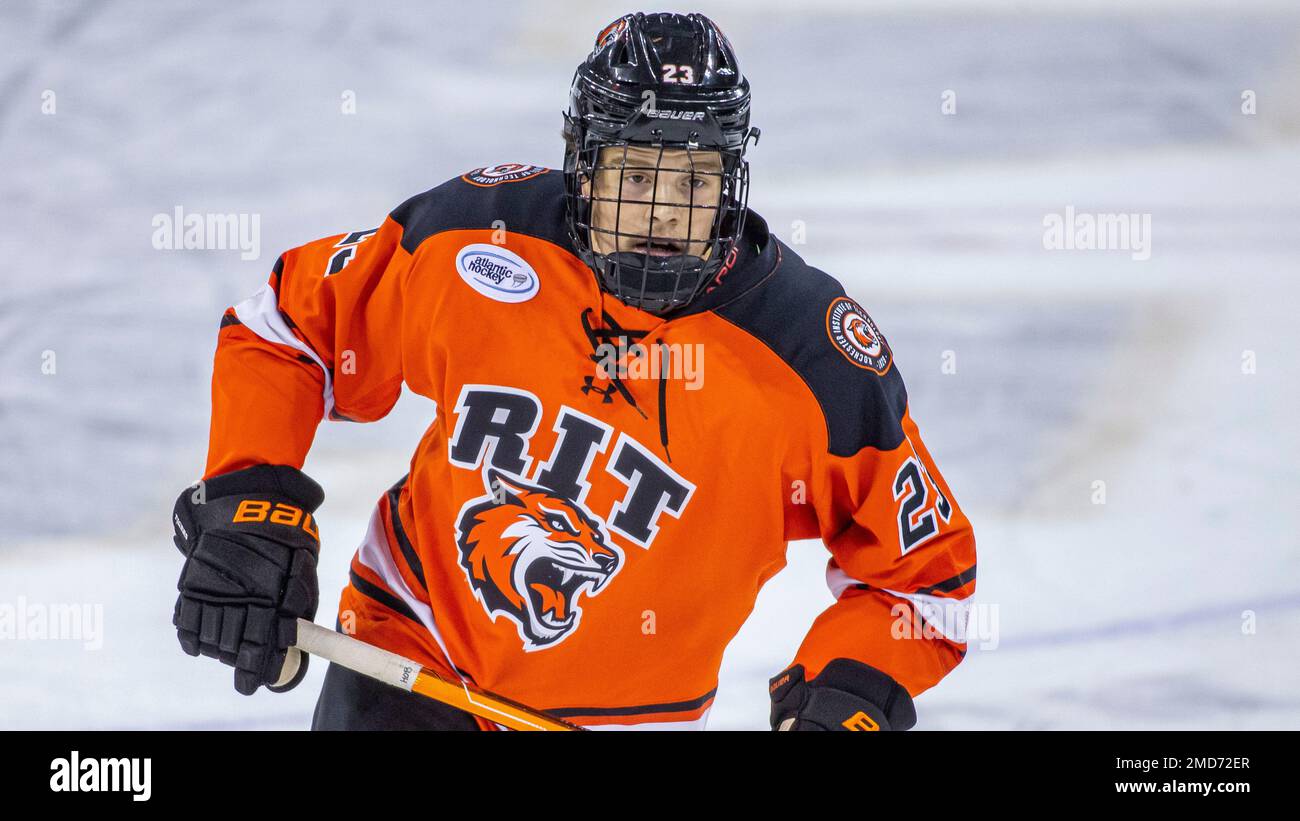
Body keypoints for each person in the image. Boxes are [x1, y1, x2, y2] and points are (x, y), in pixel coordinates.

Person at [170, 11, 977, 731]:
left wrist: (853, 690)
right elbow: (286, 325)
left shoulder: (814, 359)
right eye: (635, 175)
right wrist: (252, 499)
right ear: (583, 167)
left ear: (732, 184)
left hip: (631, 719)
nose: (663, 211)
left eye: (694, 180)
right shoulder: (477, 242)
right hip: (412, 652)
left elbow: (925, 584)